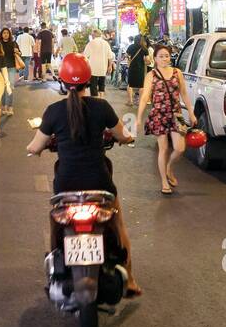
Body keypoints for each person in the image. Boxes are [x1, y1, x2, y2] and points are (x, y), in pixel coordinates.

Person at [26, 54, 142, 297]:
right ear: (88, 80)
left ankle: (54, 271)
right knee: (118, 224)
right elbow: (122, 135)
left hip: (66, 184)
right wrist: (127, 139)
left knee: (55, 221)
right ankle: (129, 279)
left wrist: (39, 148)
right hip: (99, 182)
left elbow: (35, 147)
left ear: (63, 82)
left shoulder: (54, 111)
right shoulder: (102, 107)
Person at [138, 43, 193, 195]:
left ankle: (169, 167)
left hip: (177, 114)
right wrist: (139, 117)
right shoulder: (151, 75)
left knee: (180, 148)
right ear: (155, 58)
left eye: (167, 56)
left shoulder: (177, 72)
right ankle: (164, 181)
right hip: (158, 115)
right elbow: (144, 98)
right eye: (161, 56)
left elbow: (184, 94)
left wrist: (192, 113)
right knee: (163, 149)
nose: (164, 59)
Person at [83, 28, 115, 97]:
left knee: (93, 86)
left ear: (93, 35)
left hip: (93, 68)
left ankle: (95, 102)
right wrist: (110, 66)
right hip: (103, 67)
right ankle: (101, 99)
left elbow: (85, 56)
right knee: (102, 84)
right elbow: (110, 56)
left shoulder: (91, 43)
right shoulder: (106, 43)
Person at [0, 27, 22, 116]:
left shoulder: (13, 43)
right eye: (4, 33)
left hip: (11, 68)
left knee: (10, 87)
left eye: (7, 33)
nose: (5, 34)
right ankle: (3, 106)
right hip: (0, 68)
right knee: (3, 88)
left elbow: (20, 53)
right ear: (1, 34)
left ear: (9, 34)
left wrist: (17, 52)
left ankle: (10, 107)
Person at [126, 34, 151, 104]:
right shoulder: (144, 48)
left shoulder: (131, 46)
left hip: (132, 68)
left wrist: (129, 59)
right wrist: (146, 63)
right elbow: (148, 60)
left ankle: (130, 101)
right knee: (141, 85)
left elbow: (126, 55)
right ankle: (140, 102)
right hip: (140, 69)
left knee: (130, 84)